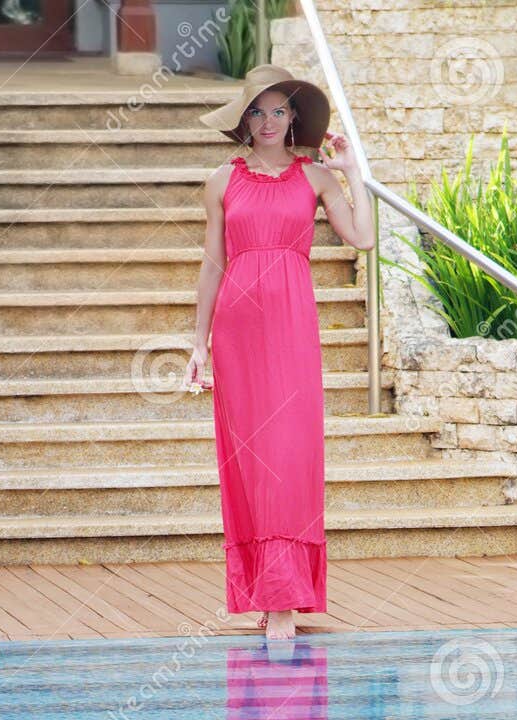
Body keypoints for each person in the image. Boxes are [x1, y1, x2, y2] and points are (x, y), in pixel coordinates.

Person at [186, 65, 376, 642]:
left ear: (294, 118)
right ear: (244, 120)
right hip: (238, 329)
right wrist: (200, 343)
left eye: (278, 111)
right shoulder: (221, 180)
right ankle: (270, 596)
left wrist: (352, 177)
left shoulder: (316, 177)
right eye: (257, 111)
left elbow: (362, 238)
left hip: (292, 326)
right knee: (249, 462)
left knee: (290, 458)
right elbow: (212, 263)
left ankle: (286, 600)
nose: (268, 122)